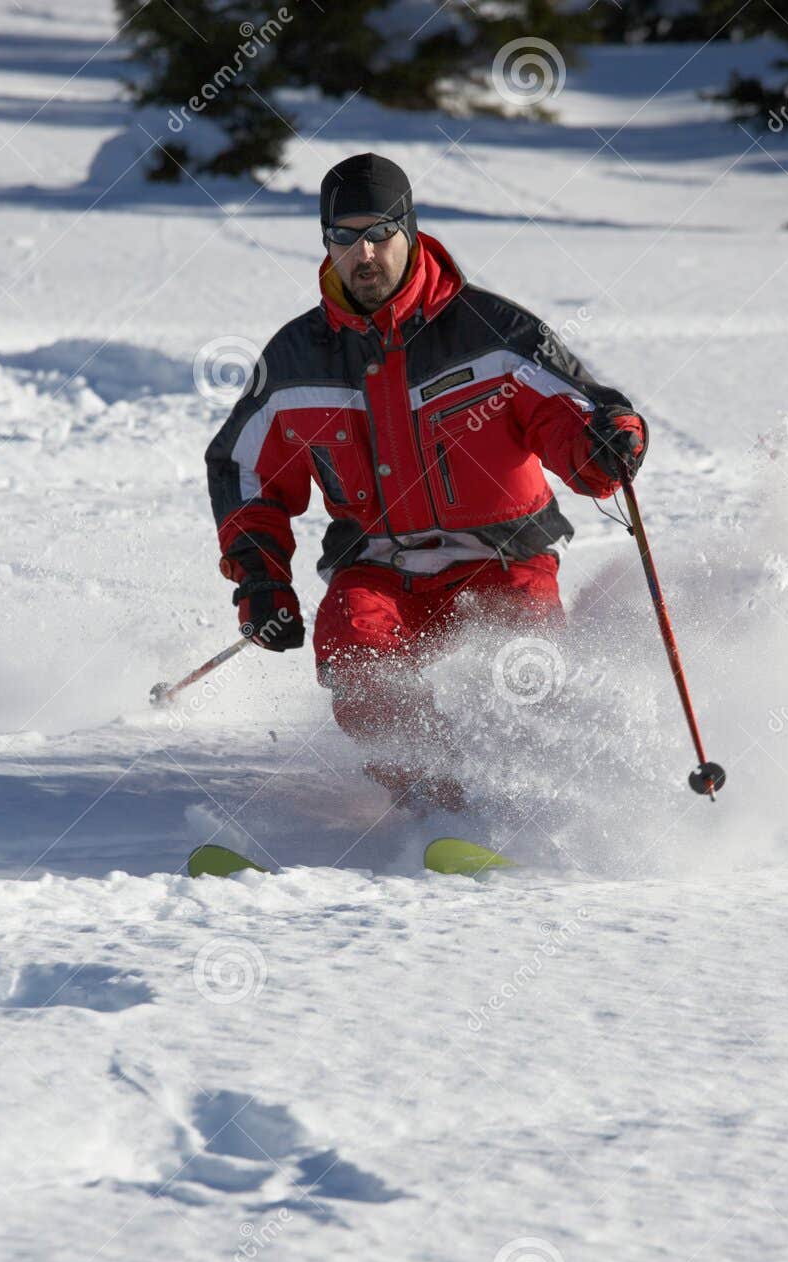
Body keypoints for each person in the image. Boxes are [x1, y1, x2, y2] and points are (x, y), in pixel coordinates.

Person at [205, 153, 646, 807]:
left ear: (409, 230)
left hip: (503, 562)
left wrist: (604, 441)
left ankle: (525, 807)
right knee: (360, 673)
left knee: (516, 682)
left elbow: (572, 412)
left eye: (380, 232)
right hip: (379, 573)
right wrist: (263, 583)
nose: (364, 253)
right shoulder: (297, 358)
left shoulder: (491, 332)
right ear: (325, 240)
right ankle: (435, 806)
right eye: (343, 236)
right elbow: (244, 471)